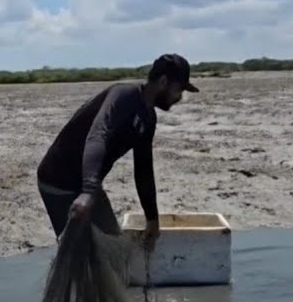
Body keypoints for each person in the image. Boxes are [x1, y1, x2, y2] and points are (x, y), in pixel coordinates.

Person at [35, 53, 199, 254]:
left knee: (112, 248)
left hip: (88, 185)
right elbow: (98, 135)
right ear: (163, 82)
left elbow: (144, 170)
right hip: (58, 181)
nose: (179, 98)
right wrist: (87, 191)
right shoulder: (124, 96)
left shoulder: (148, 118)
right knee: (81, 255)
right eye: (179, 89)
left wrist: (152, 220)